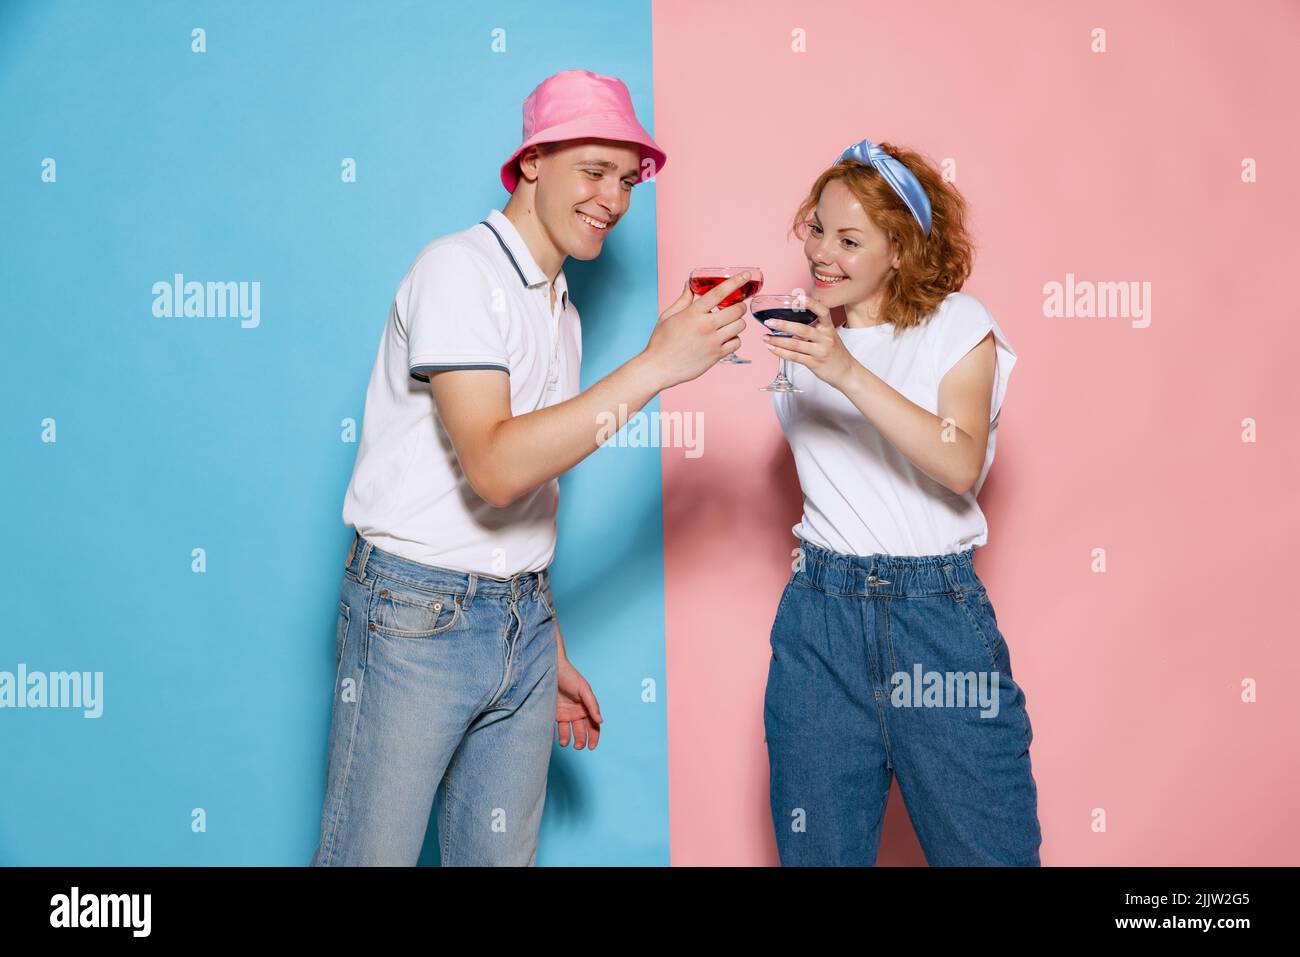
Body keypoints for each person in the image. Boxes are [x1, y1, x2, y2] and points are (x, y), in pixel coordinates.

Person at [310, 69, 750, 866]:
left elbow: (532, 490)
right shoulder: (458, 272)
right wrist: (655, 367)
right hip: (414, 616)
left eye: (627, 179)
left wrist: (535, 641)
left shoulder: (561, 308)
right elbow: (498, 467)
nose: (613, 200)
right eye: (593, 170)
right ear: (535, 162)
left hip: (518, 617)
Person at [758, 137, 1042, 865]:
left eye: (850, 239)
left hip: (934, 622)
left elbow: (957, 458)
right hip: (819, 617)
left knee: (988, 852)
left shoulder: (957, 325)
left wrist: (845, 370)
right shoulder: (804, 343)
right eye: (817, 228)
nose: (822, 251)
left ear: (900, 250)